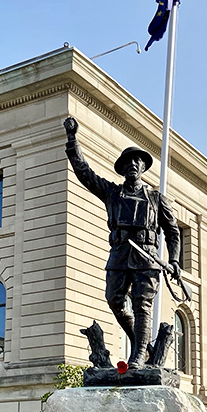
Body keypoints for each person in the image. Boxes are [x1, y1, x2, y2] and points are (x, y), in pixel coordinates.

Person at [63, 117, 180, 369]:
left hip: (147, 256)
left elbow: (172, 231)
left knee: (142, 305)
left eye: (137, 161)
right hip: (119, 252)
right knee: (114, 300)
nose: (133, 165)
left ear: (143, 168)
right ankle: (144, 345)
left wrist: (174, 260)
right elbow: (85, 173)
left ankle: (138, 356)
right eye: (128, 162)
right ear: (122, 167)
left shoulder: (156, 198)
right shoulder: (113, 193)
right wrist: (72, 140)